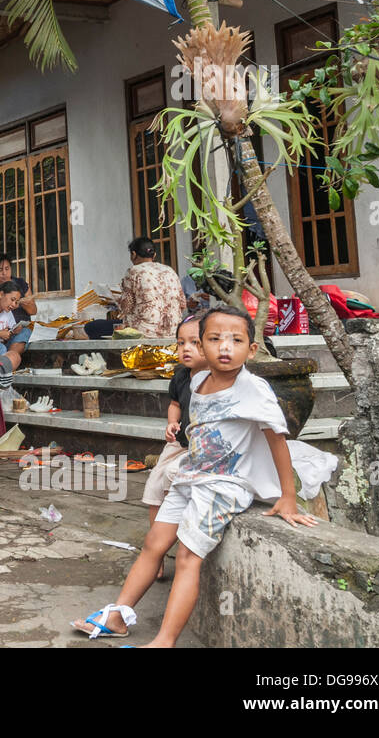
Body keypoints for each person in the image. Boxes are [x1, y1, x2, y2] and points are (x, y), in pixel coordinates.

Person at [70, 307, 316, 646]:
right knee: (153, 544)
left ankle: (164, 641)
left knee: (187, 557)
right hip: (190, 476)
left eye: (236, 340)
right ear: (202, 345)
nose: (225, 347)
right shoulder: (198, 380)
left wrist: (287, 496)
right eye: (214, 339)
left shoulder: (254, 389)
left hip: (222, 487)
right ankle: (118, 616)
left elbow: (278, 440)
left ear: (252, 349)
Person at [144, 310, 208, 580]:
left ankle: (180, 546)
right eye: (181, 343)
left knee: (175, 484)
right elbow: (175, 405)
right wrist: (171, 424)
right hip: (177, 444)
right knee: (153, 489)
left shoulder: (215, 378)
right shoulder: (181, 376)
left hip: (199, 450)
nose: (186, 349)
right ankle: (154, 554)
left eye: (194, 343)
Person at [82, 237, 185, 339]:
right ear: (154, 255)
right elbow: (183, 304)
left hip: (144, 332)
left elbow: (126, 308)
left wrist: (115, 299)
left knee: (92, 326)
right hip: (173, 331)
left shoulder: (133, 271)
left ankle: (113, 355)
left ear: (133, 254)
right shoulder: (169, 271)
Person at [0, 252, 36, 322]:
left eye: (7, 269)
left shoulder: (20, 283)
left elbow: (33, 311)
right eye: (0, 270)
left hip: (22, 326)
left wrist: (20, 301)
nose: (4, 273)